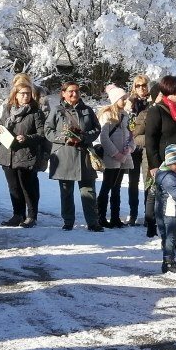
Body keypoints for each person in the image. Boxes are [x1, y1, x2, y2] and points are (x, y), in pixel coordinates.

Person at [46, 80, 102, 232]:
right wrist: (64, 139)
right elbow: (48, 131)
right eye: (70, 91)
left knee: (88, 191)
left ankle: (93, 222)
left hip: (84, 155)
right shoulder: (56, 110)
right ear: (63, 94)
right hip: (64, 155)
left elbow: (96, 129)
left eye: (76, 91)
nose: (74, 94)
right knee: (66, 191)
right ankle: (68, 221)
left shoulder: (87, 110)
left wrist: (83, 138)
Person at [143, 75, 176, 242]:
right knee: (160, 198)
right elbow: (150, 140)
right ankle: (154, 227)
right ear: (172, 91)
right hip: (163, 163)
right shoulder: (156, 110)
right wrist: (154, 164)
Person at [0, 79, 46, 228]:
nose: (26, 96)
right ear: (15, 95)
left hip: (25, 155)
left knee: (27, 187)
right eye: (22, 93)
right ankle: (17, 214)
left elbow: (42, 134)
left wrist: (27, 138)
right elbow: (1, 124)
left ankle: (31, 216)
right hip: (8, 153)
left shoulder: (35, 112)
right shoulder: (8, 109)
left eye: (28, 94)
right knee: (14, 188)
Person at [97, 85, 134, 228]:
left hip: (123, 157)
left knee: (117, 187)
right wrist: (116, 154)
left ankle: (115, 217)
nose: (125, 101)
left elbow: (130, 134)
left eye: (125, 98)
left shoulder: (125, 115)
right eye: (122, 99)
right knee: (107, 186)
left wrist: (130, 147)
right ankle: (100, 216)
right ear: (115, 100)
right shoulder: (107, 115)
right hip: (112, 157)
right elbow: (104, 137)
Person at [155, 144, 176, 274]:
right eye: (175, 163)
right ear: (169, 163)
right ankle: (168, 262)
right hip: (171, 211)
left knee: (170, 237)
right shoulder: (169, 176)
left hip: (169, 210)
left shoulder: (173, 174)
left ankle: (168, 260)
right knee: (171, 237)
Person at [126, 74, 151, 226]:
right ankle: (133, 213)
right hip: (131, 147)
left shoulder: (152, 103)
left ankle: (148, 215)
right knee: (132, 181)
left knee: (147, 180)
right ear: (134, 87)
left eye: (144, 85)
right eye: (138, 85)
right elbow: (129, 128)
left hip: (147, 146)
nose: (141, 88)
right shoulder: (129, 104)